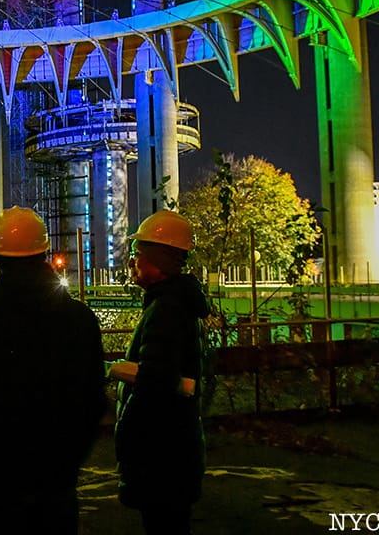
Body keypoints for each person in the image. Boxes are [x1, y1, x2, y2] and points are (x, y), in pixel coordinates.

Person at [0, 207, 107, 533]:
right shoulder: (79, 318)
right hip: (57, 483)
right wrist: (68, 462)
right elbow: (93, 402)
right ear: (45, 252)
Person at [111, 210, 210, 535]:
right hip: (174, 451)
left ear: (160, 262)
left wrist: (125, 435)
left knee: (164, 524)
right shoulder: (173, 303)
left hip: (161, 455)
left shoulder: (166, 309)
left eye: (139, 255)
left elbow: (156, 383)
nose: (133, 262)